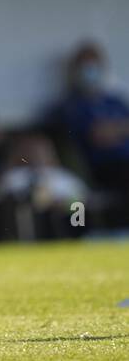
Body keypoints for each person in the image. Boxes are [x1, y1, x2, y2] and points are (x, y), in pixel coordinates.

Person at [57, 42, 129, 226]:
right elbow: (98, 136)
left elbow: (108, 131)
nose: (90, 70)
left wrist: (115, 130)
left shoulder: (115, 101)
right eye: (85, 66)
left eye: (94, 64)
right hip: (103, 166)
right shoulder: (72, 105)